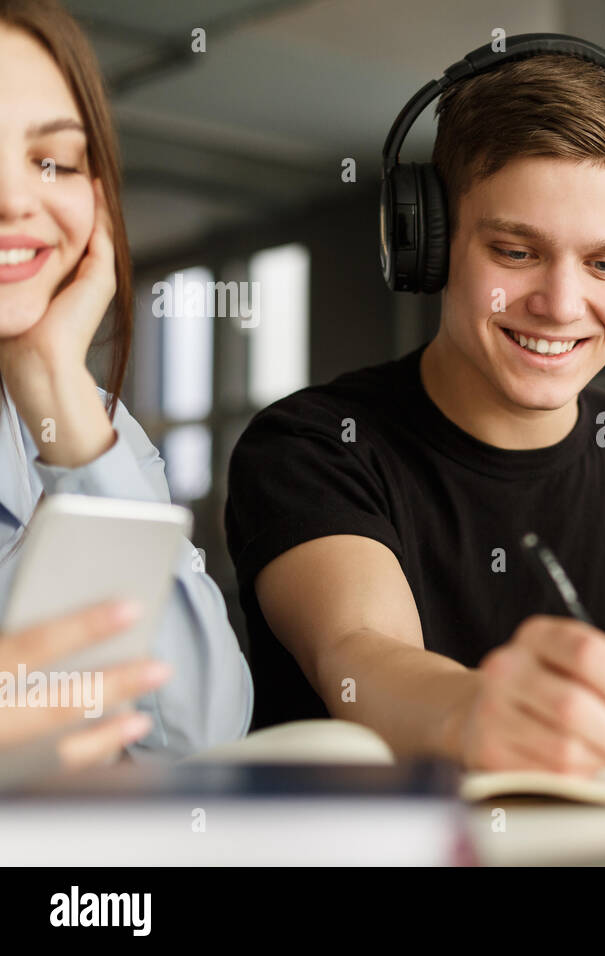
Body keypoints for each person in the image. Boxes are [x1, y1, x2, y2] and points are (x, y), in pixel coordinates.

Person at [224, 37, 605, 774]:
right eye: (516, 252)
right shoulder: (315, 445)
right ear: (431, 240)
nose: (560, 304)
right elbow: (359, 656)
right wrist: (475, 712)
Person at [0, 0, 251, 765]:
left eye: (56, 161)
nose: (16, 199)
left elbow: (198, 734)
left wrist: (53, 382)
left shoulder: (85, 424)